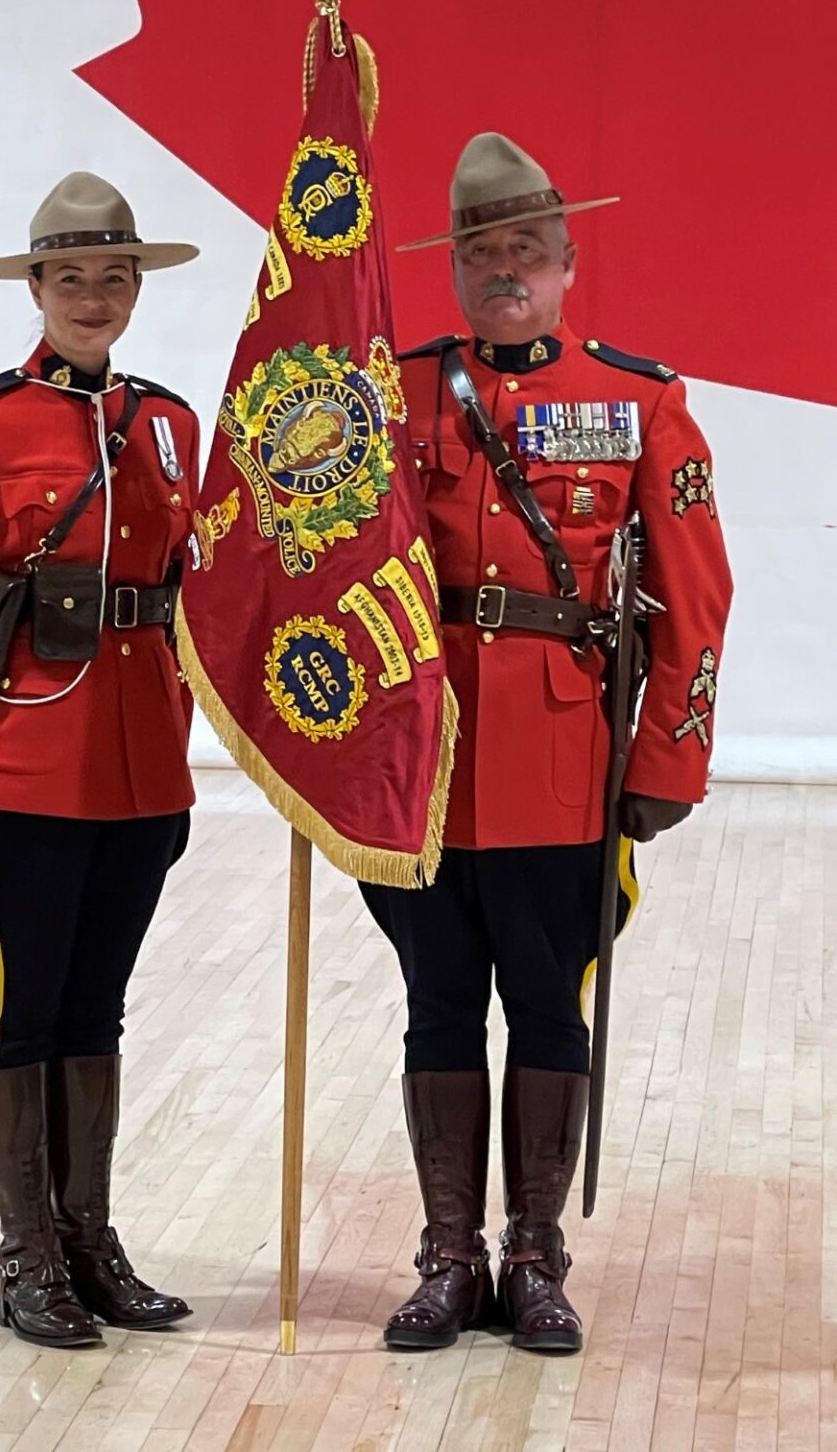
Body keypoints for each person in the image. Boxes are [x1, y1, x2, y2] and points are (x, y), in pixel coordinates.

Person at [361, 133, 733, 1353]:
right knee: (435, 1003)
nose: (505, 270)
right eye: (482, 252)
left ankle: (535, 1258)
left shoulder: (640, 400)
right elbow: (317, 564)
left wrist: (667, 759)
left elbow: (695, 594)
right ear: (454, 269)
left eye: (527, 249)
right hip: (420, 764)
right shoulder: (391, 392)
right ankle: (446, 1258)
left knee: (546, 1005)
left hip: (563, 760)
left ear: (569, 265)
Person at [0, 171, 201, 1348]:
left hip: (140, 768)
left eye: (116, 278)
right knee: (22, 1010)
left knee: (96, 1008)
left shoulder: (167, 423)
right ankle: (26, 1260)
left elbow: (198, 590)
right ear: (36, 286)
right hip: (19, 762)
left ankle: (86, 1239)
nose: (96, 297)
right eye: (72, 278)